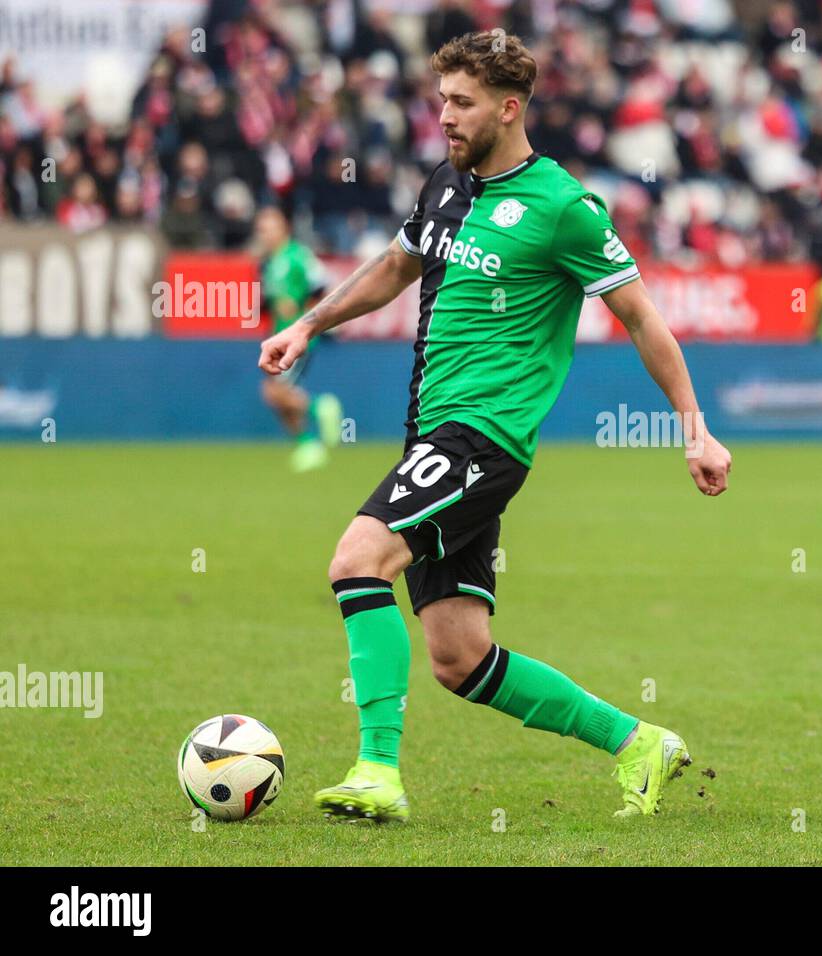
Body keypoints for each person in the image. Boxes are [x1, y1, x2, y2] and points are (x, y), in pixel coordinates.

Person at [257, 32, 732, 821]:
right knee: (459, 655)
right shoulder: (444, 184)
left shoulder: (564, 207)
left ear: (509, 109)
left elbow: (642, 317)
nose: (444, 115)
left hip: (483, 437)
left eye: (462, 102)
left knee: (358, 561)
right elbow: (395, 267)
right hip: (433, 435)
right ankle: (640, 744)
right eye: (441, 99)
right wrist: (309, 324)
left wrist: (695, 429)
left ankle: (378, 771)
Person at [254, 205, 342, 472]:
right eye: (262, 230)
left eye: (271, 228)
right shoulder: (269, 263)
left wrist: (307, 316)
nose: (266, 235)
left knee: (273, 393)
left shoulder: (298, 256)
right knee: (276, 394)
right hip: (278, 336)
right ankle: (307, 445)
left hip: (297, 337)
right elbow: (272, 303)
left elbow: (322, 286)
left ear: (285, 228)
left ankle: (319, 408)